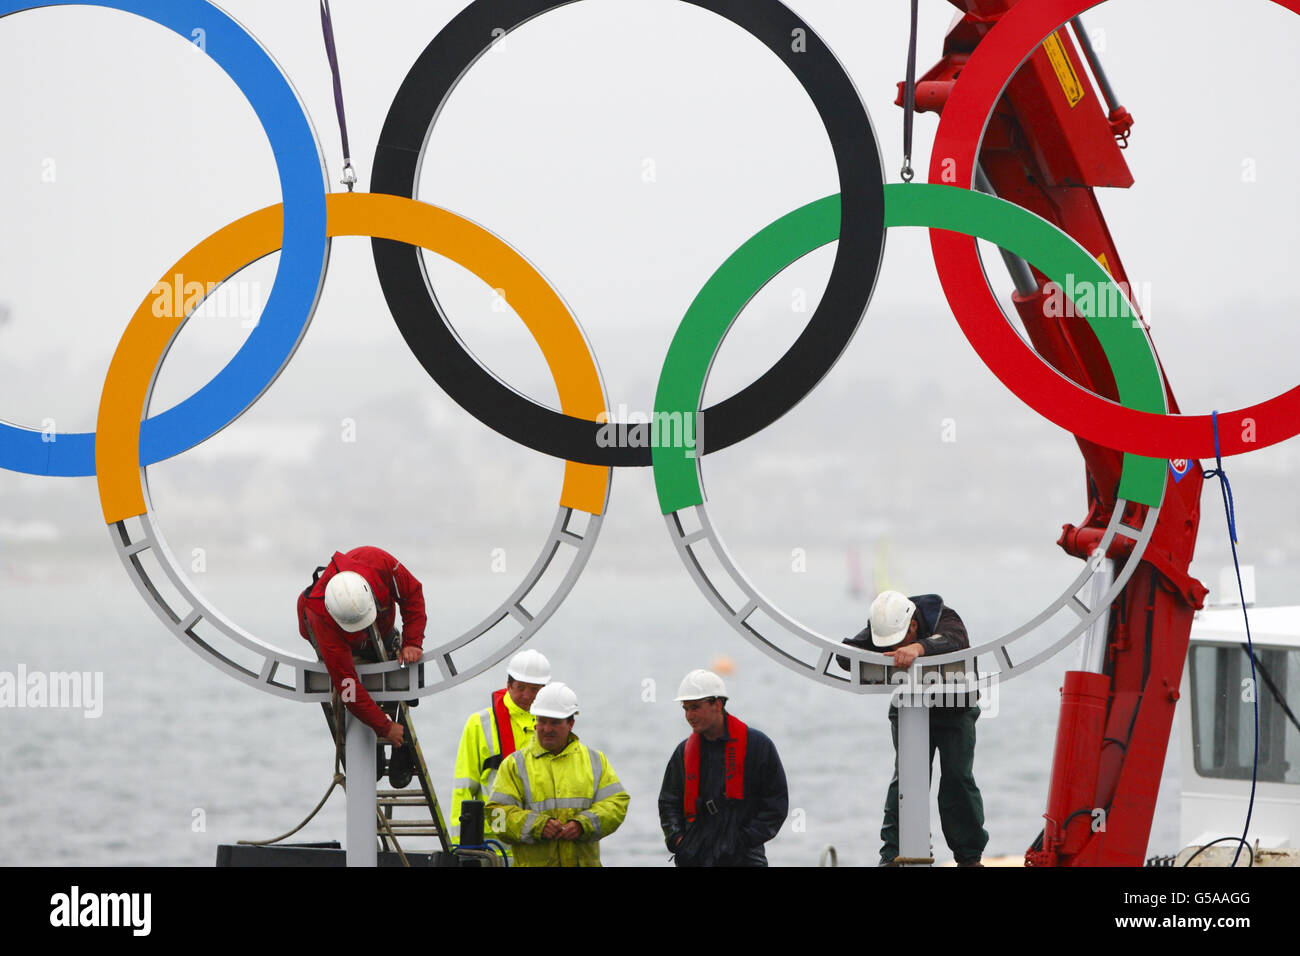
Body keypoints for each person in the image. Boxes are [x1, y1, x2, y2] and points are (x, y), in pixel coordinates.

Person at [839, 590, 988, 867]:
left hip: (955, 707)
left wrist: (918, 648)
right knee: (905, 780)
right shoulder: (885, 623)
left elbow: (955, 641)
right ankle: (892, 853)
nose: (896, 647)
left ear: (914, 626)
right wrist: (877, 653)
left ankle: (969, 858)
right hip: (910, 705)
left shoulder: (944, 617)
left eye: (900, 641)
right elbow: (845, 655)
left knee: (958, 778)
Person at [297, 546, 426, 752]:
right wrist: (384, 727)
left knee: (402, 677)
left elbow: (411, 594)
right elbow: (347, 685)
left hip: (382, 633)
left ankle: (401, 750)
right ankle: (376, 749)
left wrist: (412, 642)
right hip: (341, 644)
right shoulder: (320, 618)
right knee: (356, 680)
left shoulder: (376, 560)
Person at [485, 682, 629, 866]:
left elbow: (617, 804)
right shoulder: (514, 764)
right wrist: (538, 826)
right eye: (542, 721)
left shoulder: (595, 760)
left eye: (555, 722)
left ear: (571, 723)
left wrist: (583, 825)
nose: (547, 729)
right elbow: (497, 816)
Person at [658, 670, 789, 867]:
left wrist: (742, 841)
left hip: (744, 858)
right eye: (685, 709)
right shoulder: (683, 752)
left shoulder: (758, 746)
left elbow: (776, 804)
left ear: (717, 704)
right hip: (695, 857)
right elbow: (668, 803)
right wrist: (678, 841)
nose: (689, 716)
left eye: (695, 708)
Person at [449, 648, 551, 848]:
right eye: (521, 687)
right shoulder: (479, 724)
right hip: (493, 845)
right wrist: (458, 844)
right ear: (508, 685)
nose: (526, 695)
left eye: (534, 690)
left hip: (539, 844)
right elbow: (463, 788)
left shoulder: (554, 726)